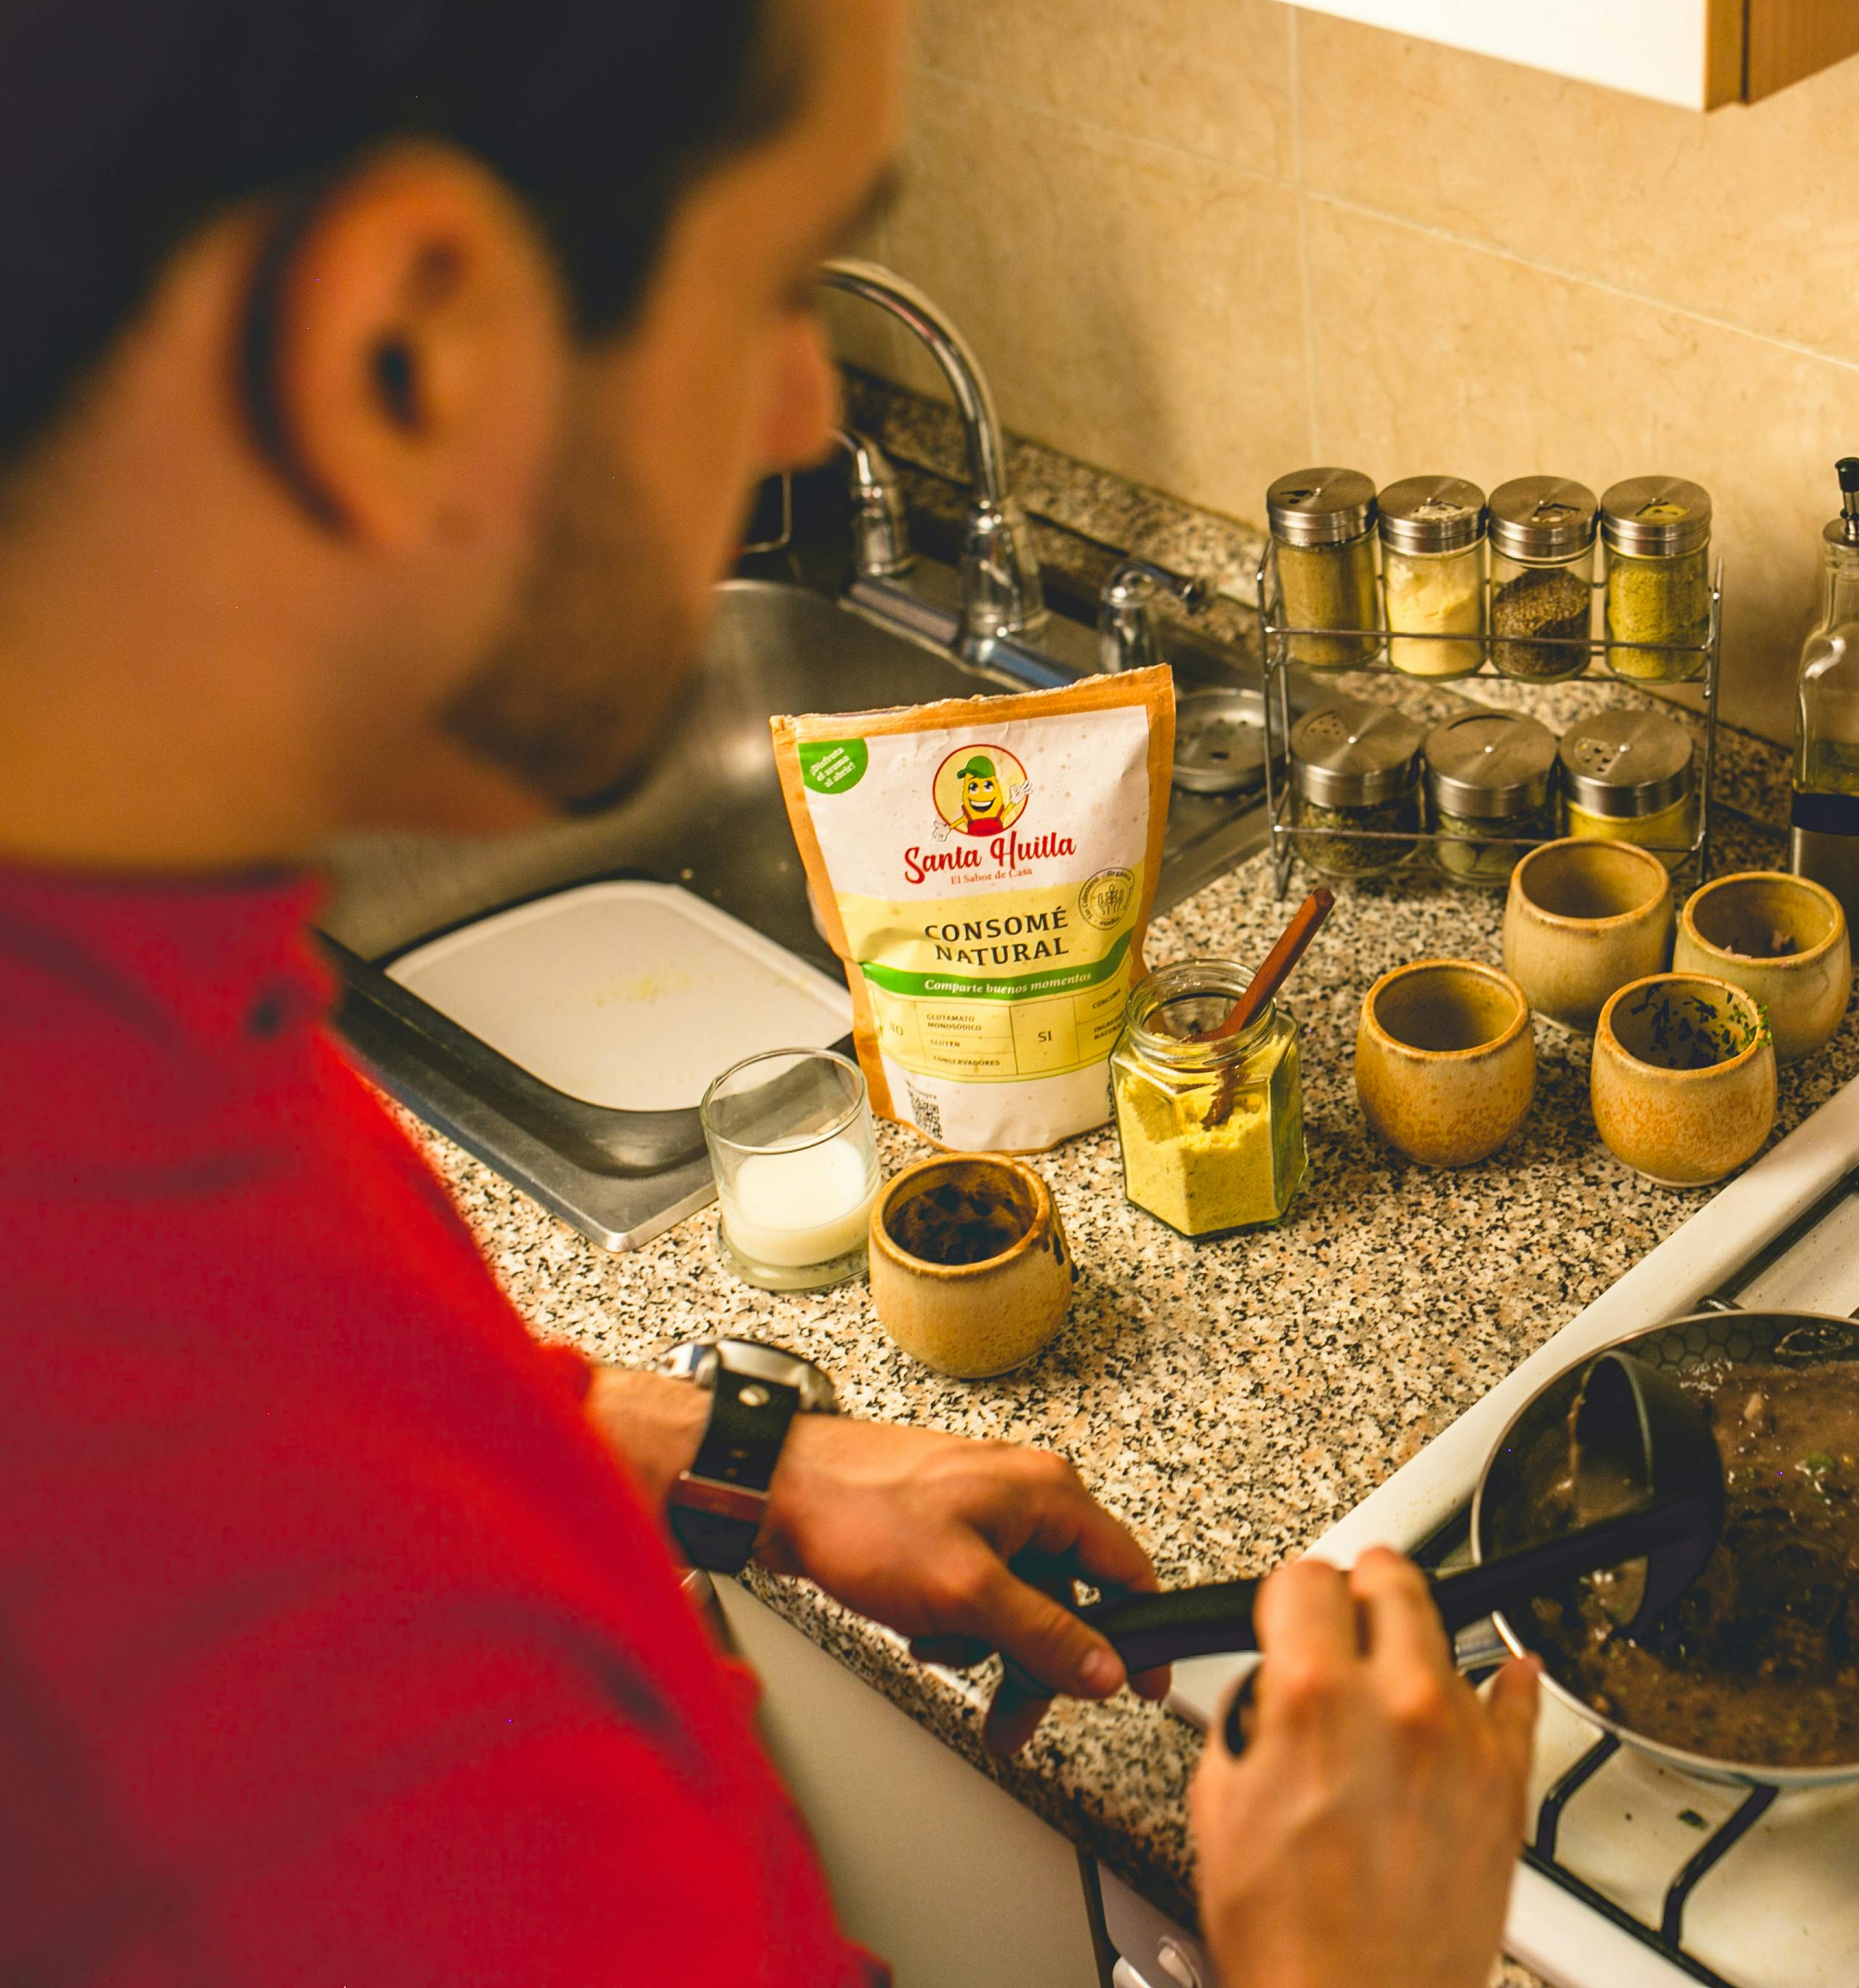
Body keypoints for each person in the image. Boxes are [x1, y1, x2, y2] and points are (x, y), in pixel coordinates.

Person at [0, 3, 1539, 1983]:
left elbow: (316, 1375)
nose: (808, 413)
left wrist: (713, 1458)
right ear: (395, 357)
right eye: (773, 286)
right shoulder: (295, 1777)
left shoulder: (128, 967)